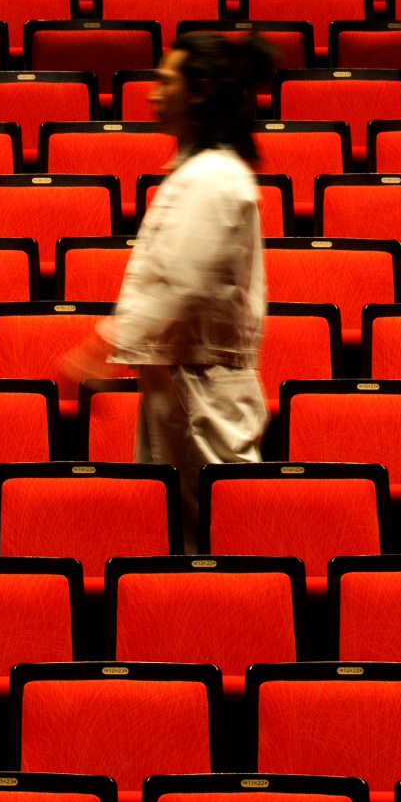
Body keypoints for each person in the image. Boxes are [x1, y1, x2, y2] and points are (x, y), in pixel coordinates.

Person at [59, 32, 275, 553]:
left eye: (165, 81)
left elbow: (181, 283)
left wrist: (99, 346)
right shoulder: (201, 172)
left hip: (200, 385)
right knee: (183, 538)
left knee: (220, 536)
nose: (153, 93)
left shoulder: (213, 177)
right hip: (181, 379)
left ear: (198, 91)